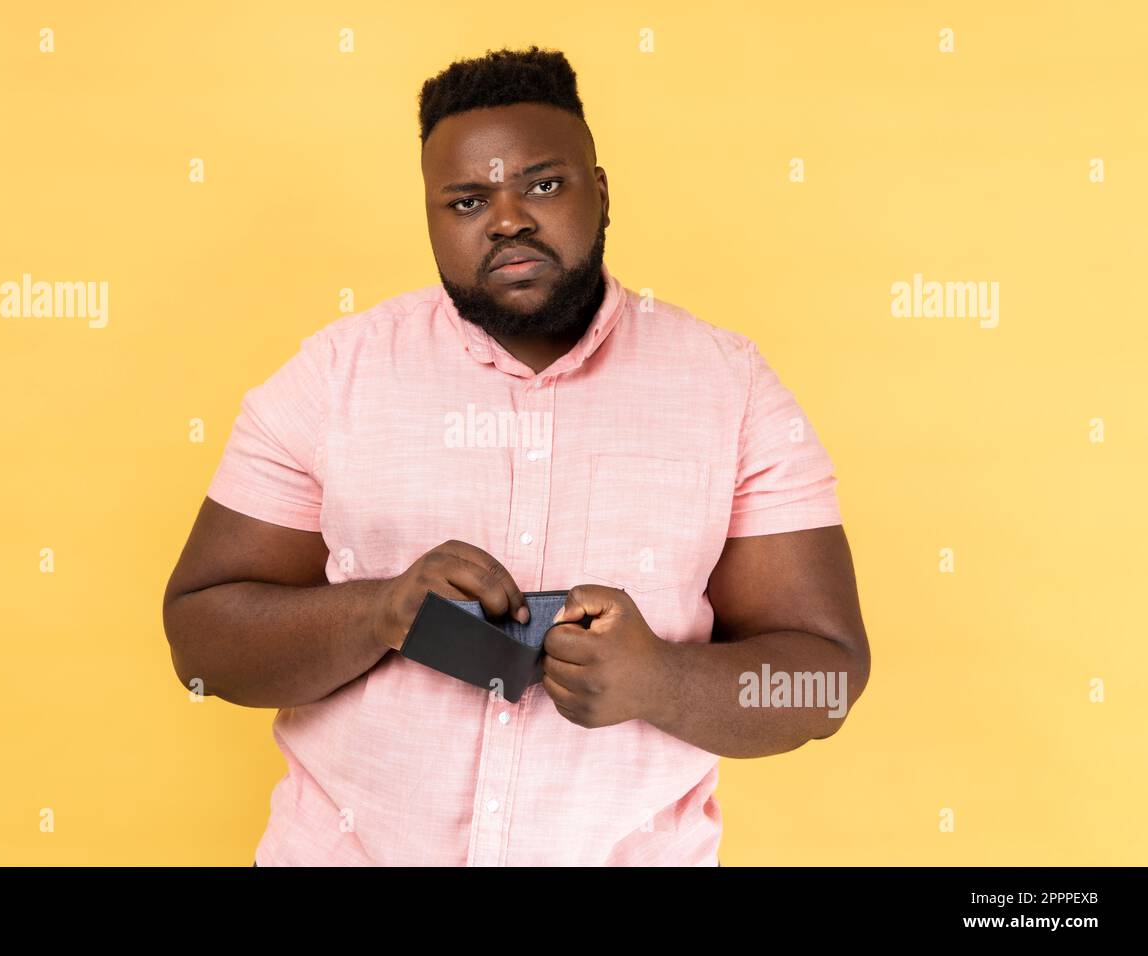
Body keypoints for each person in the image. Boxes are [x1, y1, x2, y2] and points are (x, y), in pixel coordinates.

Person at [163, 45, 869, 867]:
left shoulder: (731, 389)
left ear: (599, 192)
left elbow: (825, 682)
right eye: (467, 200)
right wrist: (380, 613)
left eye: (541, 184)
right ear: (430, 218)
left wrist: (661, 683)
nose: (506, 220)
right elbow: (199, 645)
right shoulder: (332, 377)